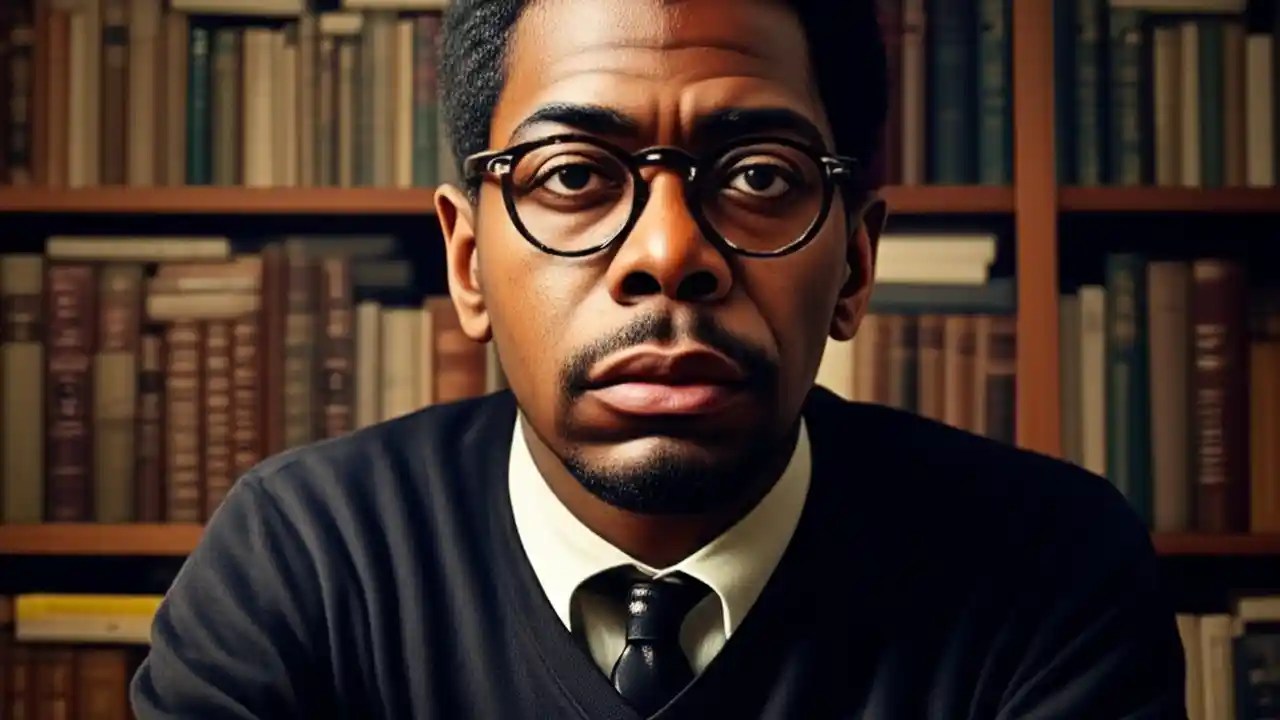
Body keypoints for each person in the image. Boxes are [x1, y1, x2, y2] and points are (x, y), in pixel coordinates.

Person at [130, 0, 1188, 717]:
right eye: (573, 175)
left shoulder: (1045, 564)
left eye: (761, 177)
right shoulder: (304, 560)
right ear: (466, 261)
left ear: (855, 261)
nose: (668, 253)